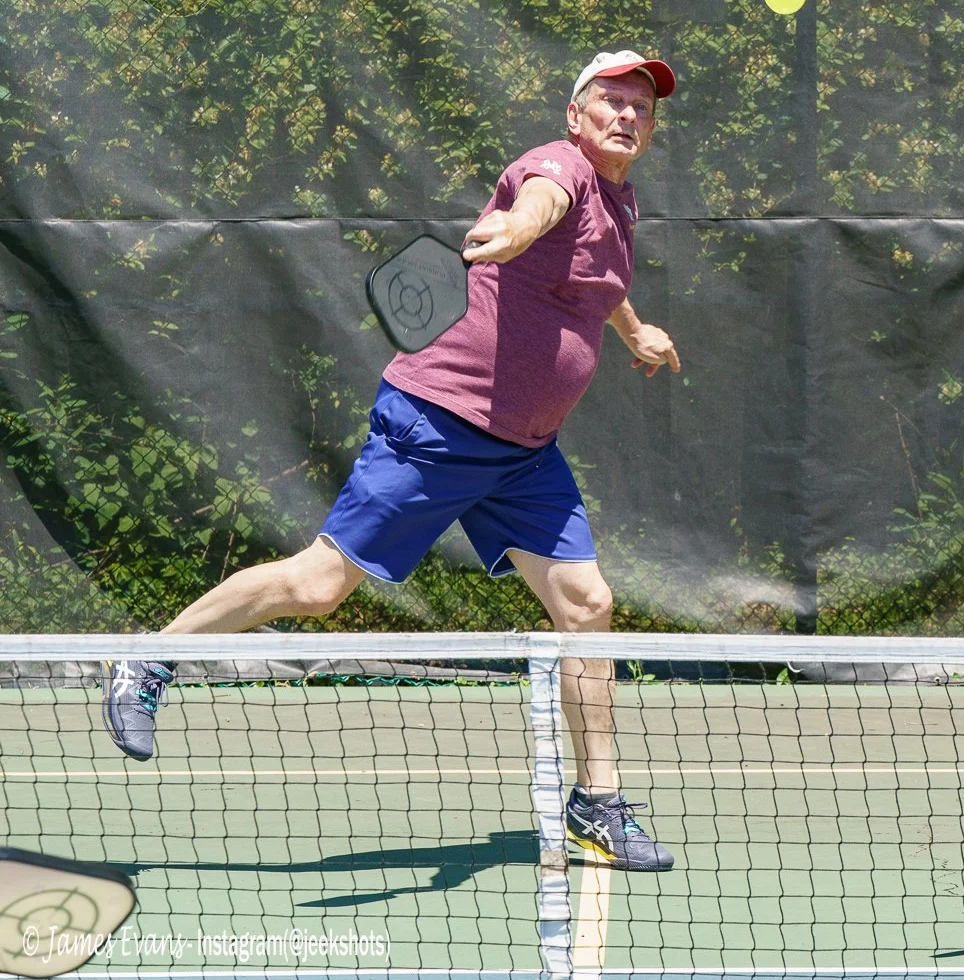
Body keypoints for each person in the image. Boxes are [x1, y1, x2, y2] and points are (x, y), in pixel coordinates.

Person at [101, 49, 682, 871]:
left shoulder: (618, 199)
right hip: (441, 424)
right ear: (574, 116)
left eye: (641, 108)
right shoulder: (555, 169)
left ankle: (596, 805)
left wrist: (634, 332)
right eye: (611, 102)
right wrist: (513, 229)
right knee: (315, 588)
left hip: (524, 452)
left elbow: (592, 277)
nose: (627, 116)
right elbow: (538, 210)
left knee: (587, 606)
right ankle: (147, 658)